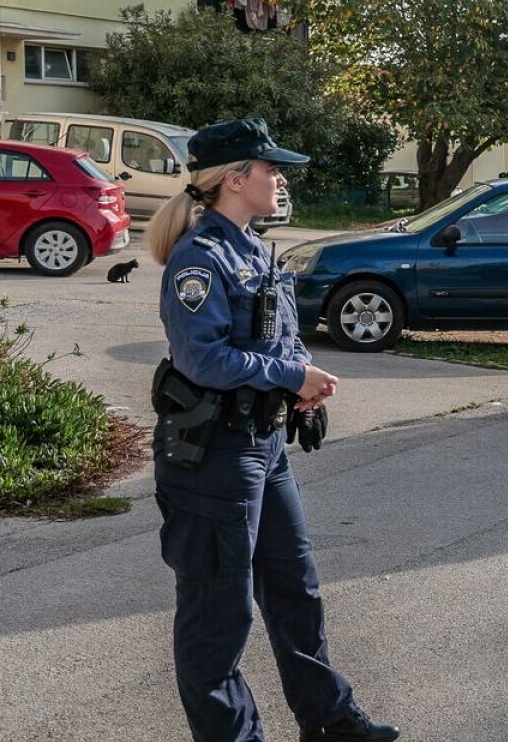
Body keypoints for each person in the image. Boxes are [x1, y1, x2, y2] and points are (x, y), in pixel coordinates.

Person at [148, 118, 398, 742]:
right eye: (269, 168)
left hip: (262, 446)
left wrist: (300, 397)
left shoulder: (253, 247)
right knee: (218, 615)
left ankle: (329, 721)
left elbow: (270, 340)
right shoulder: (199, 259)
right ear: (234, 179)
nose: (279, 177)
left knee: (295, 590)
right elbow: (201, 359)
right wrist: (291, 375)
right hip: (214, 456)